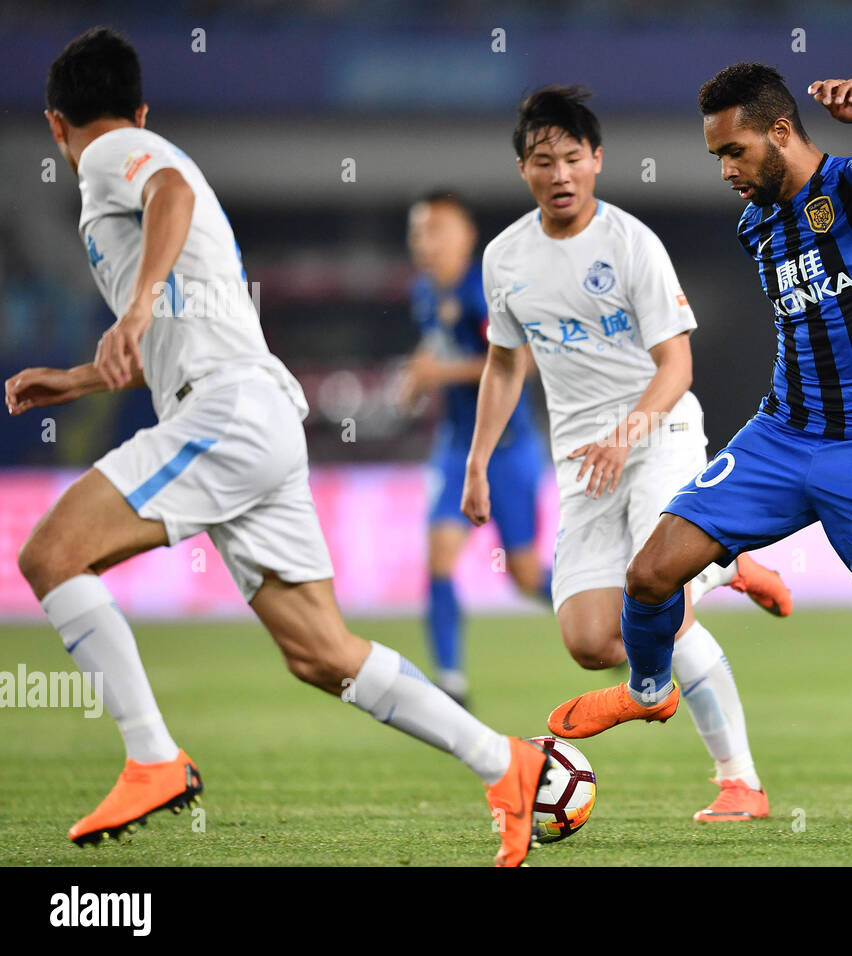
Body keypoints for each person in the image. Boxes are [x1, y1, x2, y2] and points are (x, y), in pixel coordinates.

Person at [6, 27, 545, 866]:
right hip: (248, 415)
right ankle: (506, 763)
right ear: (139, 102)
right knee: (320, 652)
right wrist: (78, 378)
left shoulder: (116, 154)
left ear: (53, 126)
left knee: (50, 553)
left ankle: (151, 757)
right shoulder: (134, 162)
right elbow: (168, 338)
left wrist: (136, 306)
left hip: (224, 414)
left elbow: (173, 193)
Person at [548, 63, 852, 841]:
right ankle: (648, 691)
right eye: (717, 156)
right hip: (782, 437)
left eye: (735, 151)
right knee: (647, 575)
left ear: (782, 132)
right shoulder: (757, 225)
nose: (726, 171)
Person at [465, 86, 792, 823]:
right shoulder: (505, 258)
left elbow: (676, 366)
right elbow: (506, 363)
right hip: (584, 459)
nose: (560, 174)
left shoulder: (631, 245)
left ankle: (739, 782)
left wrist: (627, 436)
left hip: (659, 433)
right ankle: (725, 563)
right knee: (589, 641)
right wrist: (478, 460)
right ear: (523, 168)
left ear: (597, 161)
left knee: (660, 606)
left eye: (573, 158)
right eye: (543, 161)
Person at [396, 191, 551, 707]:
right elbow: (436, 343)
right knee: (439, 556)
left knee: (525, 577)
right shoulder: (424, 291)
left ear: (466, 235)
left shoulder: (484, 290)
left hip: (507, 448)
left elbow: (520, 361)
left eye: (437, 228)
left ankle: (615, 625)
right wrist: (417, 377)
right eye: (420, 230)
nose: (426, 240)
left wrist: (438, 372)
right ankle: (450, 682)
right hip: (455, 447)